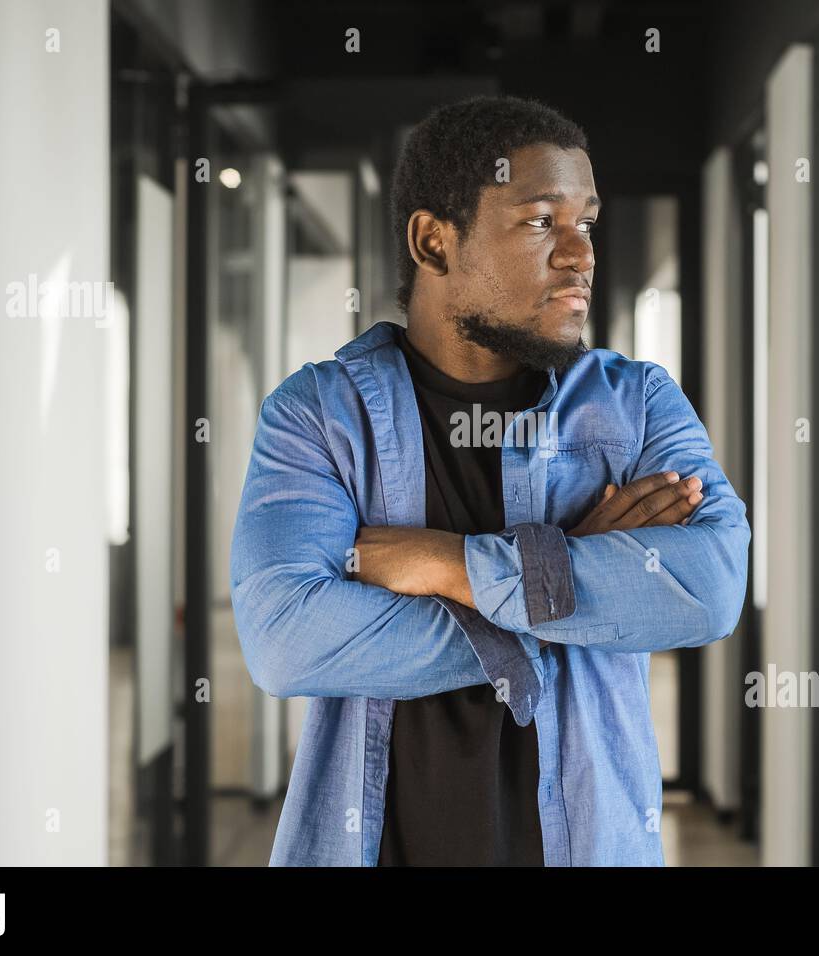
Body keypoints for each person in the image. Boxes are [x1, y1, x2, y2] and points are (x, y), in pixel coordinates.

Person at [230, 94, 751, 866]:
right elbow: (287, 641)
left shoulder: (637, 402)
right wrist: (565, 575)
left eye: (588, 222)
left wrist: (450, 564)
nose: (581, 253)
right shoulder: (318, 416)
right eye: (542, 220)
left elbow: (709, 586)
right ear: (434, 241)